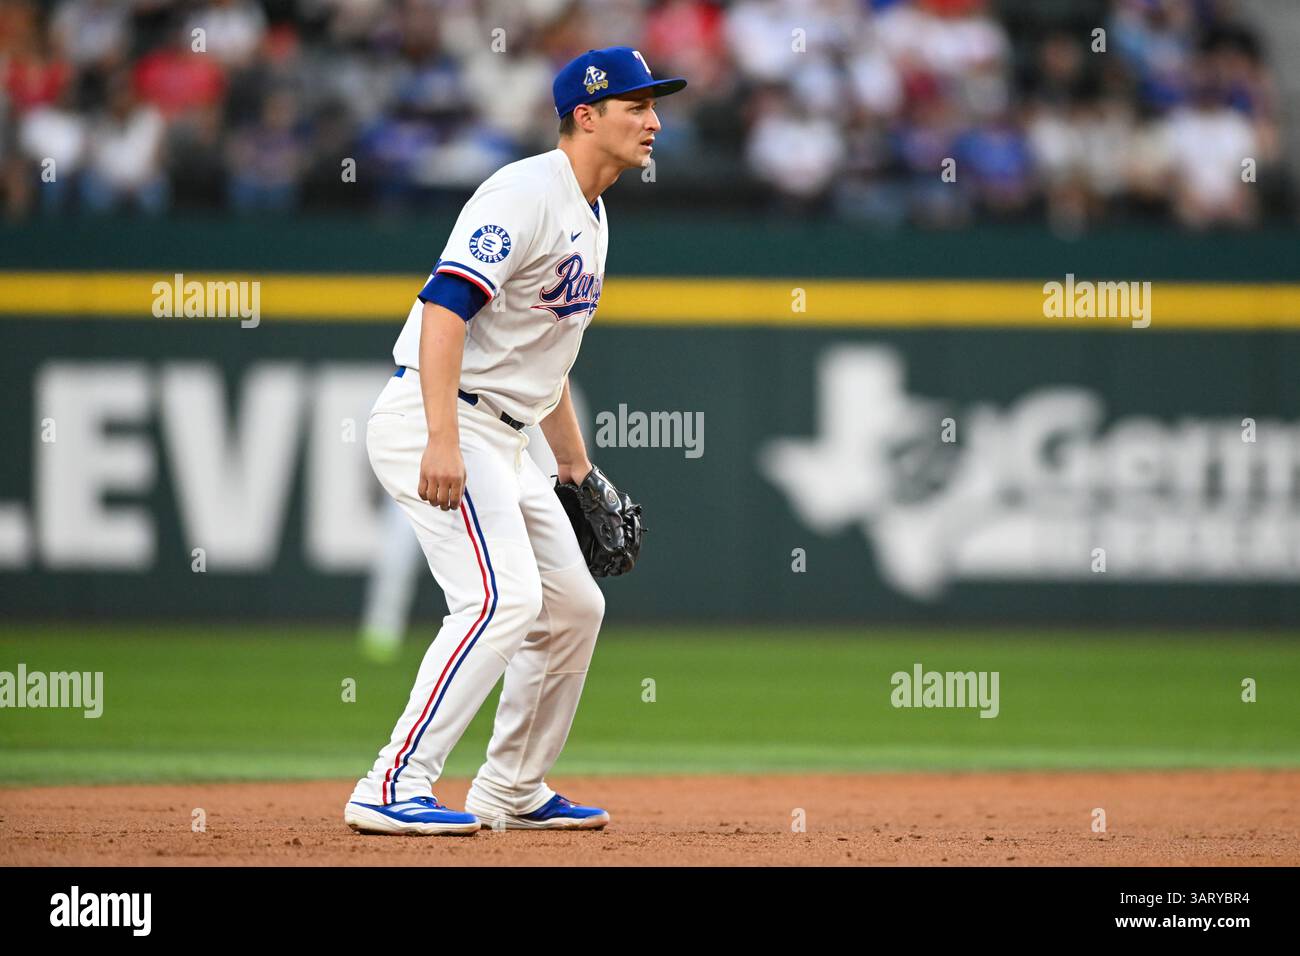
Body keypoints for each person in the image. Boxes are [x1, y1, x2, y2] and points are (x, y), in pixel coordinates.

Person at [344, 47, 685, 835]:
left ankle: (511, 789)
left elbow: (547, 356)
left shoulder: (594, 215)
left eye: (654, 105)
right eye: (637, 106)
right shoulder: (525, 191)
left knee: (572, 607)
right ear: (586, 115)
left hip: (509, 433)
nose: (655, 121)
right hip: (441, 416)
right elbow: (443, 312)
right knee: (501, 599)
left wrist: (576, 469)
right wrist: (439, 438)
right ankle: (391, 782)